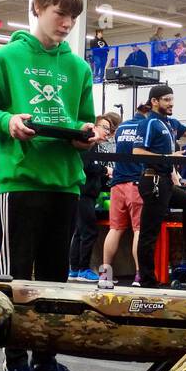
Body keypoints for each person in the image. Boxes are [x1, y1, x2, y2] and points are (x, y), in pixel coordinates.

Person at [0, 0, 105, 371]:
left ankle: (47, 361)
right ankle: (15, 365)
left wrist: (91, 130)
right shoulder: (5, 59)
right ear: (37, 9)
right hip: (20, 181)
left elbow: (84, 117)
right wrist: (7, 122)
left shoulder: (78, 66)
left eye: (72, 17)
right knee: (14, 276)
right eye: (59, 13)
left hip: (64, 182)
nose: (66, 23)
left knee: (55, 280)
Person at [134, 86, 186, 287]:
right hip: (153, 180)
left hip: (164, 181)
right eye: (166, 99)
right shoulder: (150, 123)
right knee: (149, 232)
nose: (171, 103)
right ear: (154, 101)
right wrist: (167, 157)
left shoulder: (170, 123)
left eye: (172, 99)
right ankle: (147, 279)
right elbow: (137, 152)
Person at [69, 112, 120, 281]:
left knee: (80, 232)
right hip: (83, 194)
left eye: (110, 129)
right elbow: (86, 166)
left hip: (88, 194)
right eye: (105, 127)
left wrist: (106, 175)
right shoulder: (87, 145)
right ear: (95, 126)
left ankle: (75, 269)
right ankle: (82, 268)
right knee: (89, 231)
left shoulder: (97, 148)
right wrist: (106, 171)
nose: (108, 132)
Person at [104, 103, 150, 284]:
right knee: (139, 230)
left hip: (117, 184)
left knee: (114, 230)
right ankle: (139, 275)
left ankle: (105, 275)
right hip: (136, 183)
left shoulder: (122, 127)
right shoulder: (147, 125)